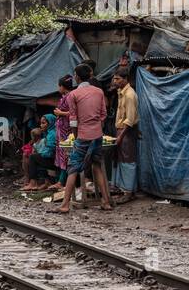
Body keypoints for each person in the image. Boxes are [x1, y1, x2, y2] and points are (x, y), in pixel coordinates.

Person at [56, 63, 112, 214]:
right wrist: (97, 128)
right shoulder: (99, 92)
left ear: (77, 77)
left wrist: (75, 135)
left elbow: (73, 119)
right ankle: (106, 202)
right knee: (97, 166)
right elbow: (103, 115)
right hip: (97, 134)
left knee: (73, 168)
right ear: (91, 75)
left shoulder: (73, 95)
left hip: (82, 134)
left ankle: (65, 204)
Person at [112, 70, 140, 202]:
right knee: (122, 160)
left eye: (117, 79)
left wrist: (120, 136)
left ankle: (128, 192)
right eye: (114, 79)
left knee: (128, 161)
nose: (115, 81)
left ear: (125, 79)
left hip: (127, 131)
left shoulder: (129, 95)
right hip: (121, 130)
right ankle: (126, 190)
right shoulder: (121, 93)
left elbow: (130, 119)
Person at [24, 114, 58, 191]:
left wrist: (41, 154)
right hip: (52, 159)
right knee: (36, 157)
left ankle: (33, 183)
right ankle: (46, 183)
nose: (41, 125)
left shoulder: (52, 134)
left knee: (33, 157)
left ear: (50, 123)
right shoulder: (49, 132)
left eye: (43, 123)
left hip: (54, 161)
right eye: (41, 123)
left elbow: (50, 150)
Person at [52, 76, 74, 189]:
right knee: (62, 155)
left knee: (66, 155)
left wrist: (61, 113)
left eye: (59, 86)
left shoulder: (70, 96)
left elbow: (74, 112)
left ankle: (62, 181)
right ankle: (60, 181)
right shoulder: (64, 97)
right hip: (62, 130)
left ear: (62, 86)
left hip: (67, 131)